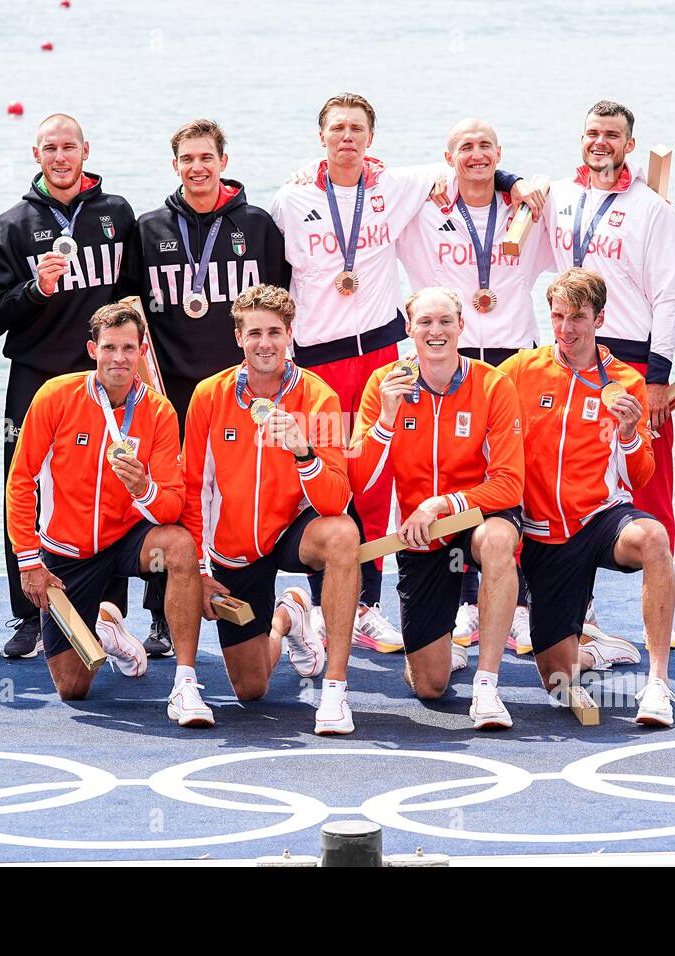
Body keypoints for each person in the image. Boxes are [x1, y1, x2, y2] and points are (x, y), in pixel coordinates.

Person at [270, 92, 542, 654]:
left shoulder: (397, 185)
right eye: (337, 128)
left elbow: (472, 163)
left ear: (372, 138)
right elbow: (275, 280)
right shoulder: (291, 197)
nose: (347, 137)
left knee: (376, 484)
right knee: (323, 480)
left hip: (380, 356)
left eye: (357, 129)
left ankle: (367, 605)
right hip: (318, 362)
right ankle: (319, 606)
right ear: (320, 136)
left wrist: (515, 182)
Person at [120, 118, 289, 657]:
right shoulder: (148, 228)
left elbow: (280, 311)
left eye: (206, 158)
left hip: (239, 394)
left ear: (224, 162)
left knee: (239, 497)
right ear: (175, 166)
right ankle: (162, 617)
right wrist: (145, 386)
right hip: (171, 394)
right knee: (169, 503)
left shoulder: (257, 224)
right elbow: (130, 311)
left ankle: (262, 605)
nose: (197, 167)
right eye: (187, 159)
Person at [5, 302, 213, 726]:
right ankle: (107, 627)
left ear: (141, 353)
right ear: (92, 349)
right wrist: (28, 560)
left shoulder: (157, 411)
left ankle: (186, 683)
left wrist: (144, 489)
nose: (119, 358)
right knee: (73, 689)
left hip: (128, 543)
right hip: (69, 553)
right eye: (110, 348)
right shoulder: (56, 396)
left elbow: (174, 505)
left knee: (178, 545)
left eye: (128, 348)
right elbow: (21, 479)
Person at [0, 113, 137, 659]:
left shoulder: (117, 213)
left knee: (110, 487)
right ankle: (29, 615)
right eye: (51, 148)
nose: (61, 157)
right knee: (25, 486)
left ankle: (108, 613)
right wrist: (35, 288)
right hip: (36, 377)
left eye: (69, 147)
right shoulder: (12, 224)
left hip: (108, 379)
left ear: (86, 151)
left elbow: (136, 299)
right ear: (36, 154)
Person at [533, 99, 675, 648]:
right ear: (582, 139)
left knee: (648, 483)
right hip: (572, 345)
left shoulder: (652, 209)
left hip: (632, 358)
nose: (601, 142)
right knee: (573, 479)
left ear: (629, 144)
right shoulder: (559, 196)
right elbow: (512, 193)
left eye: (613, 135)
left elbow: (670, 297)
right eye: (592, 133)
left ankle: (658, 624)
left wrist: (656, 378)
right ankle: (583, 614)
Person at [397, 116, 551, 654]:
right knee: (455, 468)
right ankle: (466, 601)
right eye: (465, 147)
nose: (476, 155)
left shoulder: (528, 211)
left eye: (487, 147)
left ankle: (525, 604)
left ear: (501, 152)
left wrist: (517, 181)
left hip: (514, 360)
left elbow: (571, 198)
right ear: (448, 157)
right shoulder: (424, 208)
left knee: (517, 478)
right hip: (446, 358)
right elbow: (367, 184)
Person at [500, 268, 675, 726]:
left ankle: (658, 683)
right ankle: (591, 646)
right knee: (559, 683)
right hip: (543, 535)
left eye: (577, 317)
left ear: (599, 318)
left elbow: (640, 475)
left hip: (600, 519)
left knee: (654, 538)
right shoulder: (522, 370)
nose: (566, 329)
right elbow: (471, 392)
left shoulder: (624, 382)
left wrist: (629, 433)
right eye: (558, 316)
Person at [182, 285, 360, 734]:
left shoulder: (319, 397)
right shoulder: (209, 395)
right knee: (251, 689)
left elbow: (336, 499)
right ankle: (289, 616)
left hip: (290, 533)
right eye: (256, 332)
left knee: (342, 534)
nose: (266, 343)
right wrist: (202, 569)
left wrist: (304, 452)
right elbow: (193, 488)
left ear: (289, 335)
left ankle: (335, 691)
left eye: (275, 333)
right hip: (234, 548)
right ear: (239, 337)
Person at [347, 287, 525, 730]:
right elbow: (360, 482)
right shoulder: (384, 383)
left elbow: (509, 484)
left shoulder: (493, 383)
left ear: (462, 326)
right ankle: (445, 645)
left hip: (476, 517)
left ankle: (487, 686)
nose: (436, 331)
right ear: (409, 329)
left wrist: (442, 502)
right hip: (420, 536)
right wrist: (386, 420)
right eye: (425, 322)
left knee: (499, 540)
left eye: (445, 321)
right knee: (429, 685)